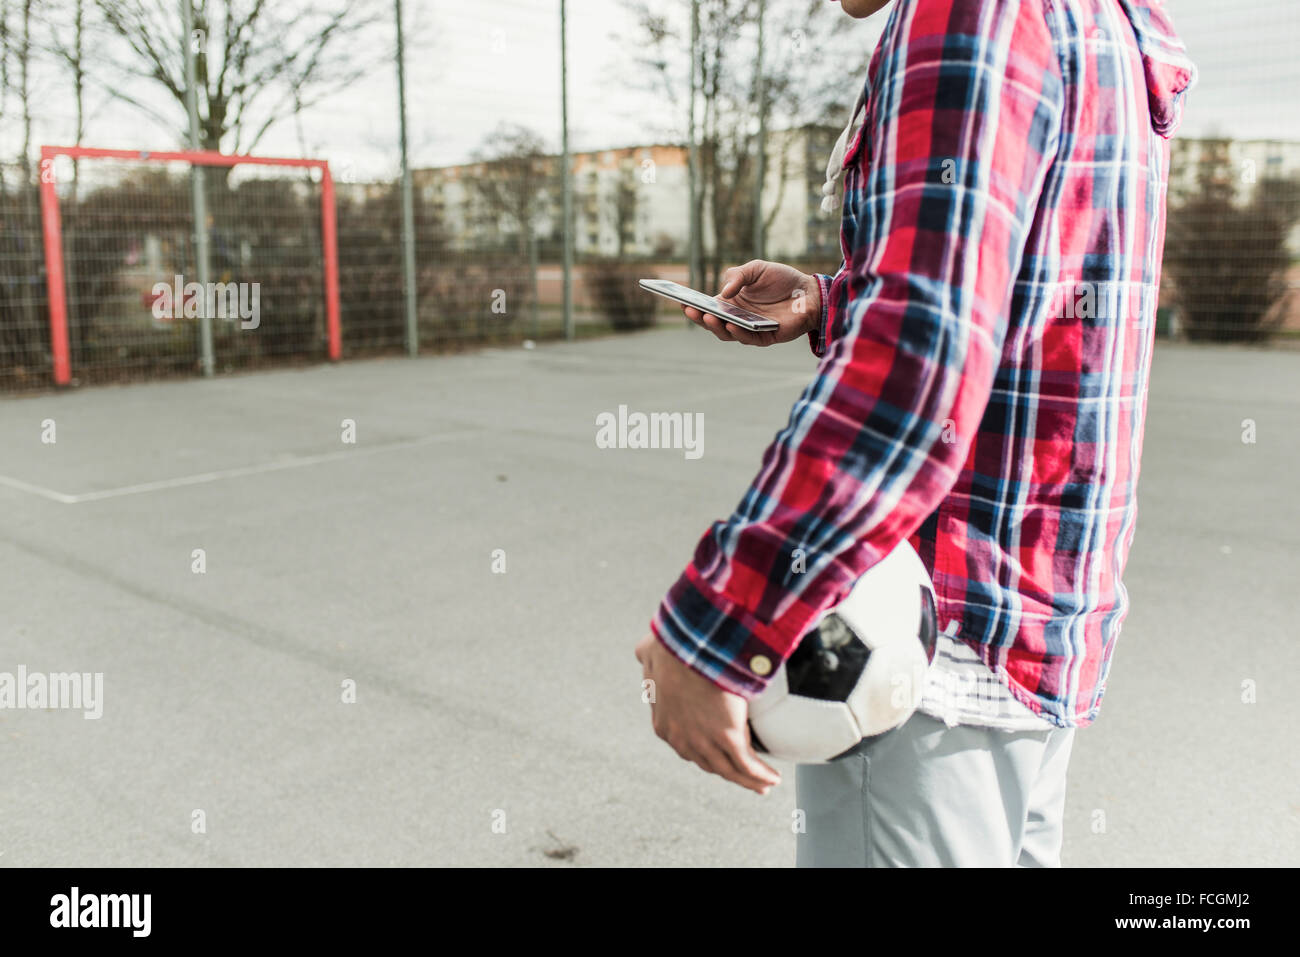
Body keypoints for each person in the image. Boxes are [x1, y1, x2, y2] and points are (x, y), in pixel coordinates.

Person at [634, 0, 1196, 867]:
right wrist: (836, 300)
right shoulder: (1098, 17)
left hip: (936, 636)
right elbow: (1032, 280)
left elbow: (916, 369)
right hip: (1036, 620)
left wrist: (718, 627)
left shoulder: (974, 13)